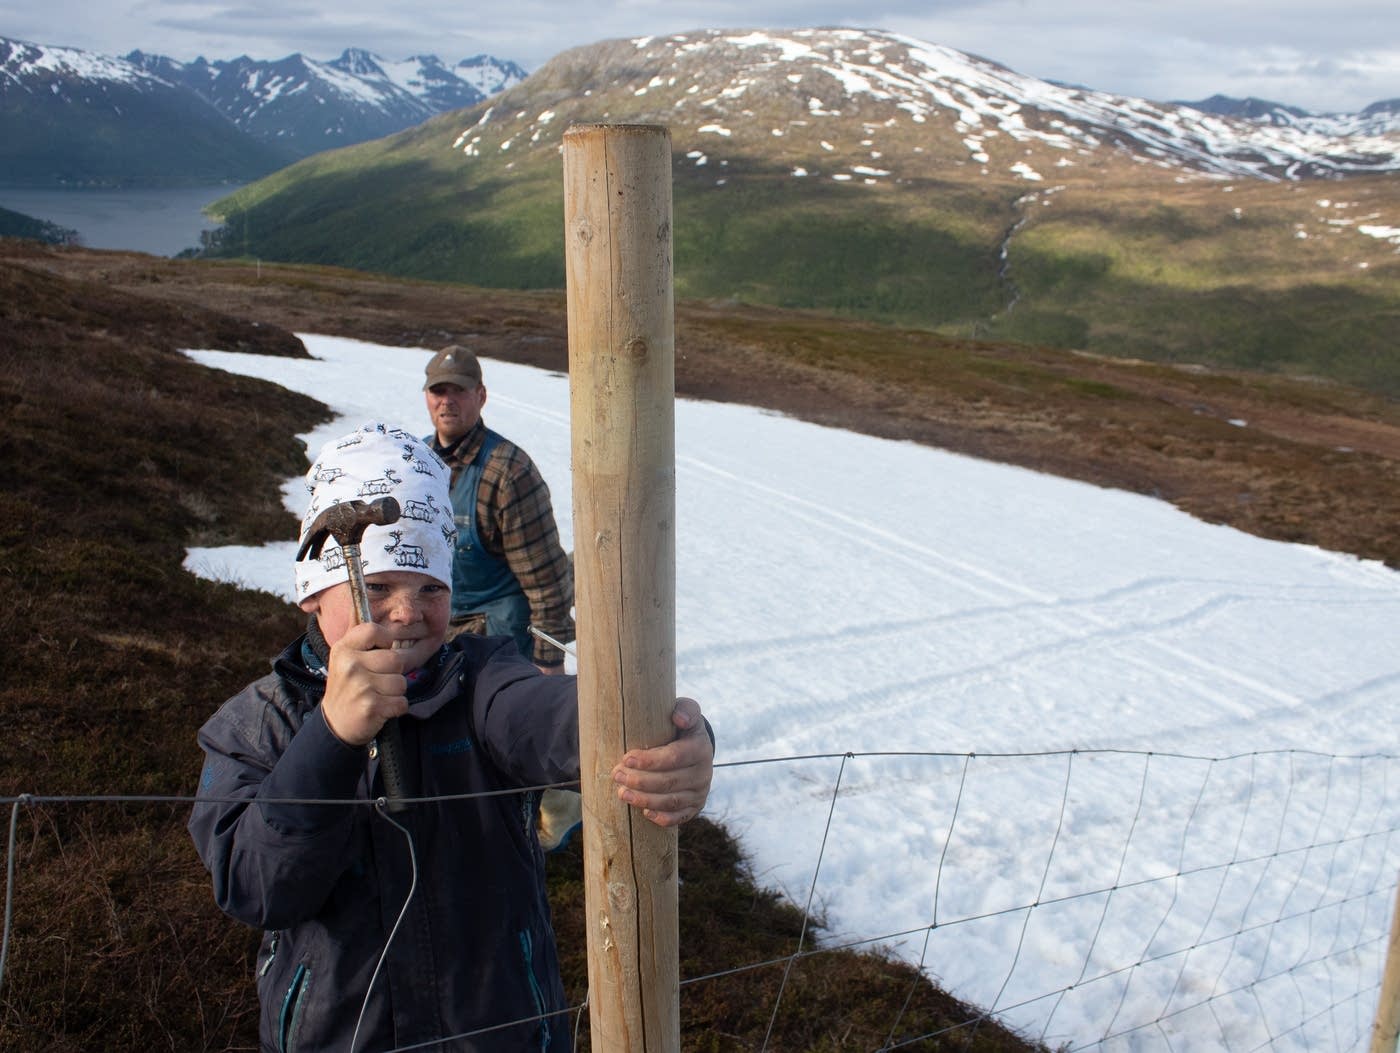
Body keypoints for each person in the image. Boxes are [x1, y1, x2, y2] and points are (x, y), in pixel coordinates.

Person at [188, 422, 714, 1053]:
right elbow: (256, 890)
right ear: (312, 592)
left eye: (431, 588)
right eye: (376, 587)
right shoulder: (254, 725)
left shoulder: (482, 681)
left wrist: (664, 735)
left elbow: (550, 716)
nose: (408, 611)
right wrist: (331, 737)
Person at [421, 344, 582, 850]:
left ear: (481, 396)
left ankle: (555, 824)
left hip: (502, 639)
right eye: (438, 391)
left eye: (459, 391)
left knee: (520, 741)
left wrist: (548, 659)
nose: (447, 401)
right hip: (441, 632)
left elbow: (547, 576)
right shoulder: (419, 464)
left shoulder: (508, 471)